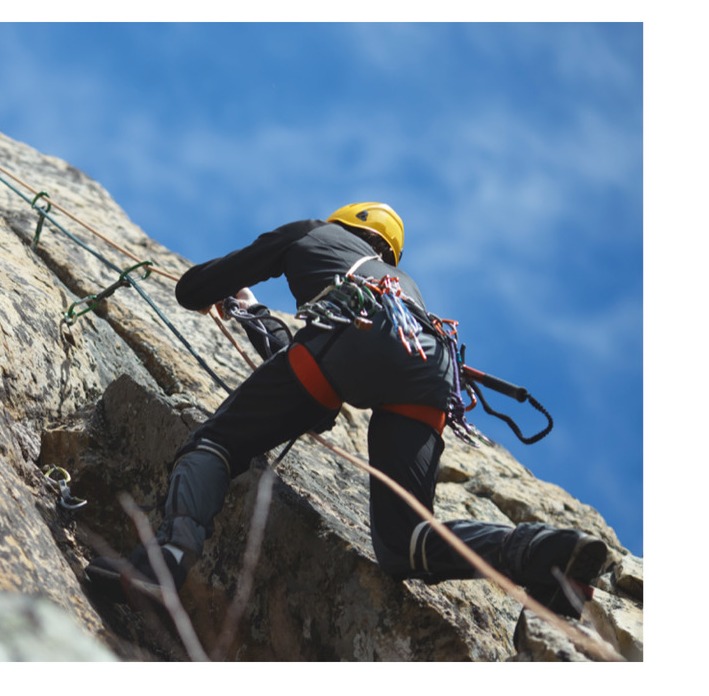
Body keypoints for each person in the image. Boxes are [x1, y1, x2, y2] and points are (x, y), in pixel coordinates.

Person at [84, 202, 609, 620]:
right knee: (405, 544)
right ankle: (535, 551)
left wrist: (237, 298)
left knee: (217, 445)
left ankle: (165, 562)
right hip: (433, 369)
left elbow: (192, 288)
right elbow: (315, 407)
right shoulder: (407, 287)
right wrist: (262, 324)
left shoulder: (311, 231)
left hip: (355, 334)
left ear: (345, 223)